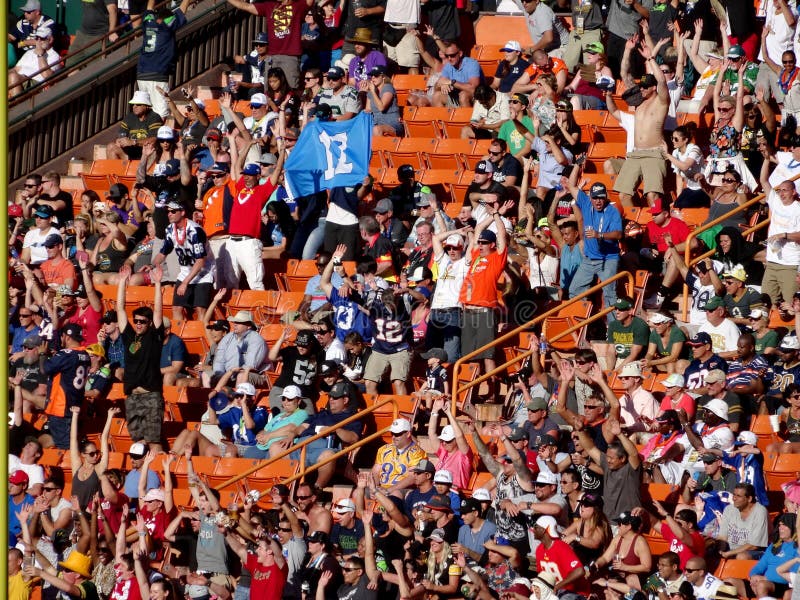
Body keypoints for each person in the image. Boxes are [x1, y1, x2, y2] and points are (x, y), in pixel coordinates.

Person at [459, 209, 511, 397]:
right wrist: (491, 214)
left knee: (488, 356)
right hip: (467, 312)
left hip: (484, 312)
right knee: (470, 358)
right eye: (479, 242)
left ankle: (493, 393)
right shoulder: (475, 256)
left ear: (492, 244)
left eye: (483, 243)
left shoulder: (496, 258)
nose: (479, 245)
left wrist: (498, 215)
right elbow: (479, 227)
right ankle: (470, 394)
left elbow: (502, 235)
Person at [116, 264, 166, 452]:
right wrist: (122, 282)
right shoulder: (130, 335)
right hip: (132, 396)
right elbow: (120, 310)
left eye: (142, 322)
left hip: (151, 395)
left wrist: (158, 284)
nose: (137, 324)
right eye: (135, 321)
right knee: (137, 444)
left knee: (154, 441)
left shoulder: (154, 337)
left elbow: (159, 313)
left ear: (149, 323)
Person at [224, 0, 311, 88]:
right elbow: (245, 6)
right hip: (271, 57)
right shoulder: (269, 5)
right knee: (269, 89)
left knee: (291, 87)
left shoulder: (298, 5)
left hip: (290, 56)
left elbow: (310, 2)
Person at [152, 200, 214, 322]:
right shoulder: (170, 229)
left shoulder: (195, 231)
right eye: (168, 211)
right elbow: (163, 253)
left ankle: (202, 335)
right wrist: (152, 265)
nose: (169, 214)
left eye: (173, 211)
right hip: (186, 271)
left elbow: (200, 261)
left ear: (182, 212)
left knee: (200, 309)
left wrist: (185, 283)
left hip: (203, 272)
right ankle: (180, 336)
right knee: (176, 308)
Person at [135, 0, 191, 119]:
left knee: (146, 112)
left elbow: (149, 6)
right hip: (158, 75)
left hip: (142, 74)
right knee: (161, 113)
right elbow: (182, 10)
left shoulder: (149, 22)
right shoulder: (166, 27)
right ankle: (157, 136)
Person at [757, 176, 800, 306]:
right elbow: (763, 180)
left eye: (785, 190)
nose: (781, 193)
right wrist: (766, 158)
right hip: (772, 262)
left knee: (790, 304)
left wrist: (784, 235)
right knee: (765, 303)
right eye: (779, 190)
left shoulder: (798, 209)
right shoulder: (776, 202)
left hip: (790, 265)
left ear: (793, 192)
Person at [716, 483, 769, 559]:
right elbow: (722, 537)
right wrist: (720, 551)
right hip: (730, 550)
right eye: (734, 495)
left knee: (741, 556)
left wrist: (729, 553)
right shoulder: (729, 509)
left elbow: (754, 545)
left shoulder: (760, 511)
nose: (734, 498)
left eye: (738, 496)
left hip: (753, 551)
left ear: (749, 499)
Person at [106, 91, 164, 160]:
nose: (134, 107)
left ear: (146, 106)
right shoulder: (129, 118)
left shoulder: (155, 118)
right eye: (133, 104)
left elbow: (154, 140)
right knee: (111, 146)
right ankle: (115, 171)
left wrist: (133, 142)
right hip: (131, 153)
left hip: (148, 153)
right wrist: (119, 141)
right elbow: (121, 135)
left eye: (138, 104)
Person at [432, 42, 482, 108]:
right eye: (447, 56)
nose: (449, 58)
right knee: (437, 96)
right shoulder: (448, 66)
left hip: (477, 97)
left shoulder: (472, 64)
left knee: (463, 95)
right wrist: (441, 85)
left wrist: (452, 82)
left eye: (452, 55)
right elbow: (437, 86)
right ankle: (442, 118)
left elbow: (473, 89)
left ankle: (466, 118)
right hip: (456, 96)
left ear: (460, 53)